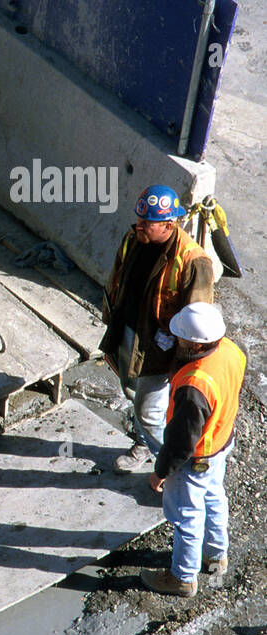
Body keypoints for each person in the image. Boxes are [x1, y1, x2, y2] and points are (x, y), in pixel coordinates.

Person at [100, 185, 213, 473]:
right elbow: (118, 277)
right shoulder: (134, 237)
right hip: (128, 332)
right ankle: (143, 443)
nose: (139, 224)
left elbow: (197, 321)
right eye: (139, 218)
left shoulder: (192, 260)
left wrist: (183, 364)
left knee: (149, 412)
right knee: (131, 390)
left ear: (169, 224)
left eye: (146, 222)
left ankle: (170, 467)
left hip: (159, 351)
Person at [141, 303, 245, 597]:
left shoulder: (193, 385)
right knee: (214, 497)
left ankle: (183, 578)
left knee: (186, 515)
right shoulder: (230, 350)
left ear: (196, 343)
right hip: (221, 443)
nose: (178, 340)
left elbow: (179, 443)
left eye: (182, 337)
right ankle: (215, 556)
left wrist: (160, 473)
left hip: (197, 456)